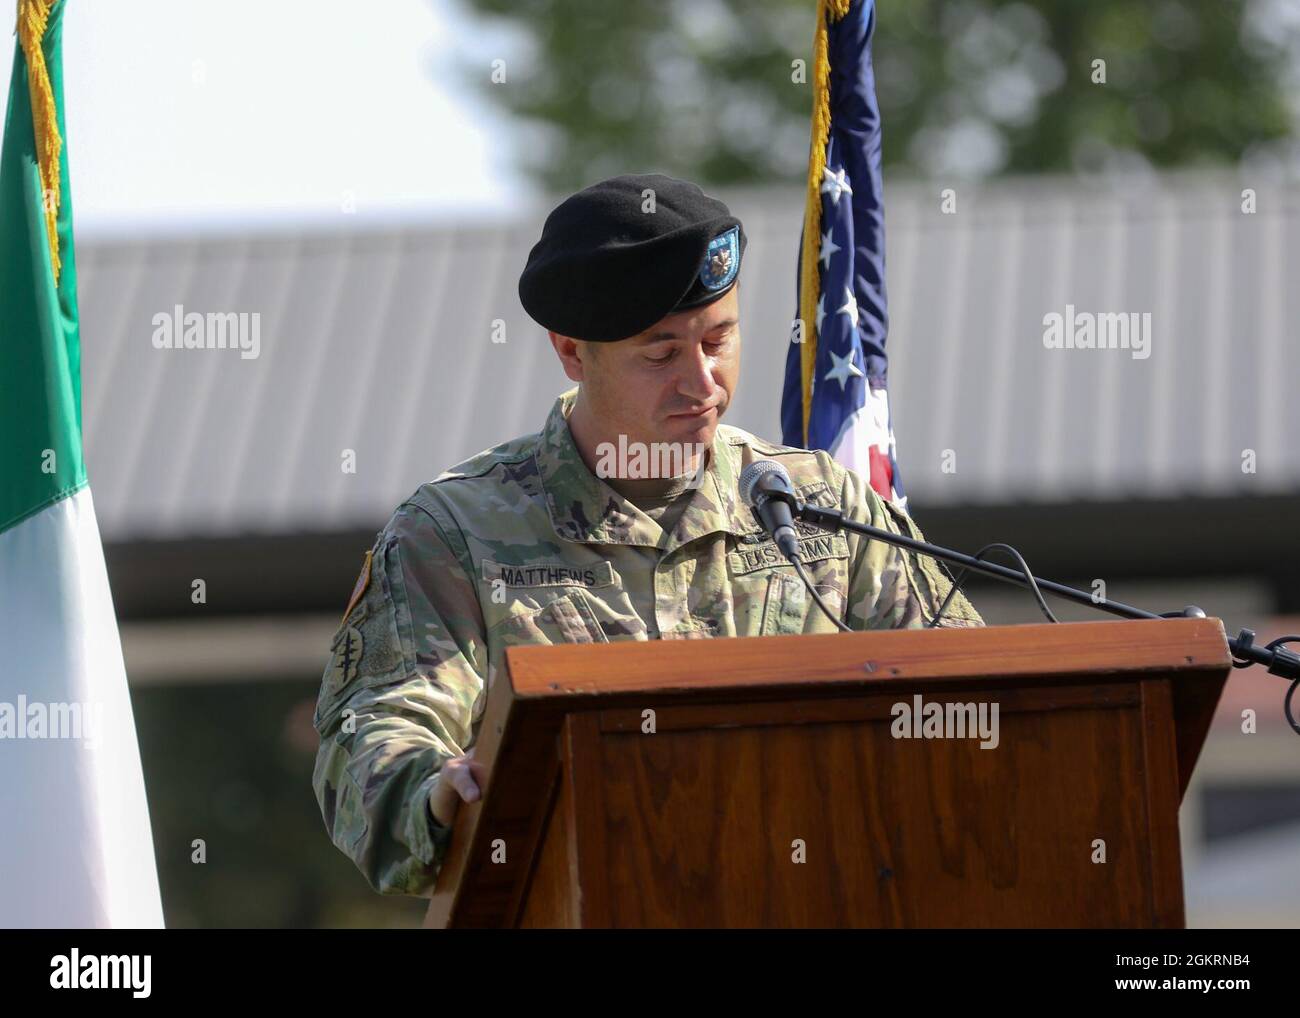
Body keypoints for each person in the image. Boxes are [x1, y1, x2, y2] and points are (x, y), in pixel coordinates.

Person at [312, 173, 983, 896]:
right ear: (572, 351)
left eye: (719, 340)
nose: (703, 383)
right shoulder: (455, 537)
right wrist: (435, 793)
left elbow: (975, 698)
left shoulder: (818, 505)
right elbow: (373, 741)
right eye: (661, 355)